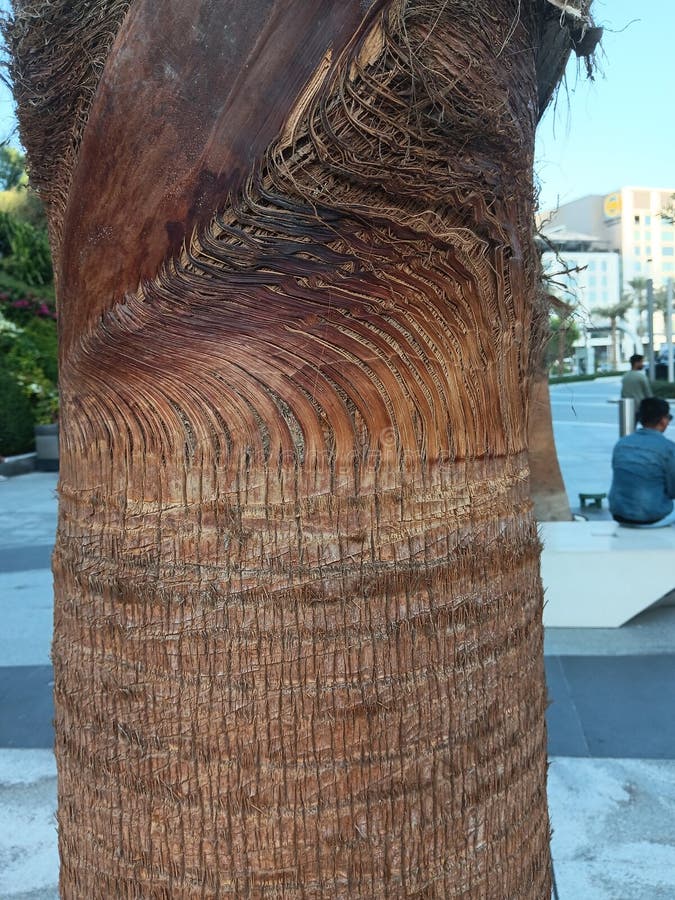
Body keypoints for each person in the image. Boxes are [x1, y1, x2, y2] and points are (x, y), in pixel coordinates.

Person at [609, 397, 675, 527]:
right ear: (663, 420)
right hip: (651, 517)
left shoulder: (621, 444)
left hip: (619, 514)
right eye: (669, 417)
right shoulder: (668, 448)